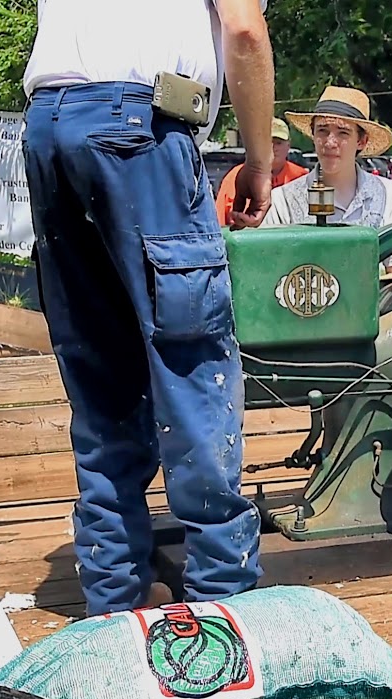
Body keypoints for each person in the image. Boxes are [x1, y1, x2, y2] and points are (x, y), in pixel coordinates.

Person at [18, 0, 275, 616]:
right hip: (139, 130)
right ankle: (222, 603)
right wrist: (260, 166)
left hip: (48, 129)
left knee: (99, 372)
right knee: (191, 366)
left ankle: (116, 600)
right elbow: (243, 29)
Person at [261, 86, 392, 268]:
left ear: (361, 141)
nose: (330, 142)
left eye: (343, 133)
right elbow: (269, 272)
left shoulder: (390, 196)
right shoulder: (282, 201)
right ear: (313, 135)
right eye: (322, 131)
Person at [214, 118, 308, 227]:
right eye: (267, 141)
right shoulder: (236, 177)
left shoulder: (301, 177)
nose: (273, 147)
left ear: (288, 145)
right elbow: (218, 223)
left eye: (278, 142)